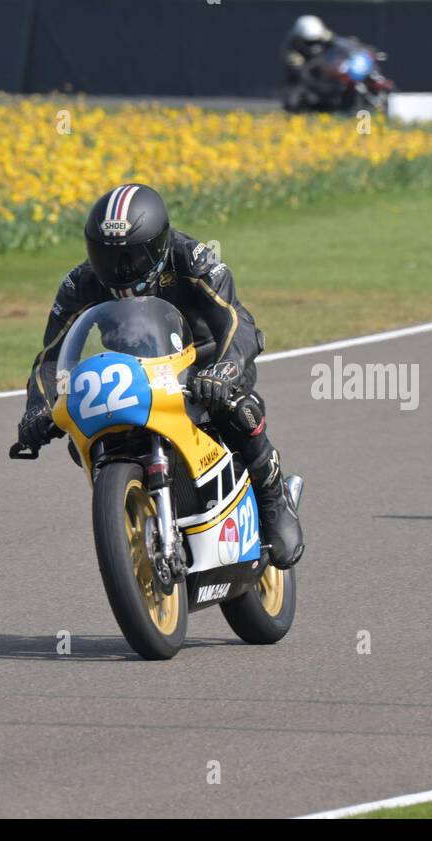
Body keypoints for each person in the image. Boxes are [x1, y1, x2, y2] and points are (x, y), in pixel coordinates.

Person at [16, 184, 305, 568]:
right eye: (106, 256)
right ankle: (132, 515)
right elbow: (50, 358)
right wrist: (37, 410)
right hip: (136, 374)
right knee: (80, 437)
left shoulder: (192, 259)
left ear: (159, 245)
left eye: (133, 257)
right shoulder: (79, 283)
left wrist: (224, 370)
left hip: (205, 364)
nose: (120, 270)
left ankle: (272, 497)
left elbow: (237, 321)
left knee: (237, 410)